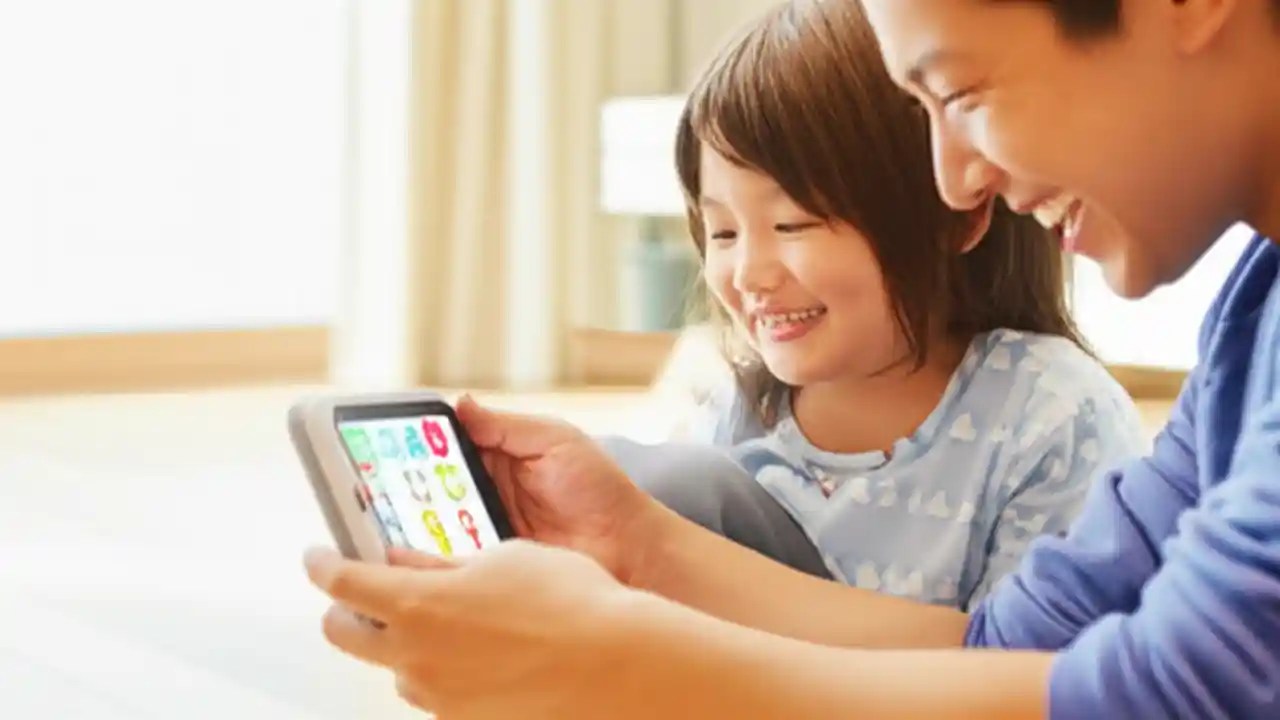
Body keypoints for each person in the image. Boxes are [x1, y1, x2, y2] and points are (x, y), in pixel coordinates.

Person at [303, 0, 1280, 717]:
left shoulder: (1048, 401)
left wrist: (619, 664)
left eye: (964, 92)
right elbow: (1017, 646)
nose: (955, 182)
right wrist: (637, 540)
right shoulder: (1250, 323)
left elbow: (1167, 699)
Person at [600, 0, 1144, 611]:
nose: (749, 273)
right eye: (723, 232)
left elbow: (1038, 655)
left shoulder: (1049, 415)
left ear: (955, 214)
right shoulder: (732, 416)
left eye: (793, 223)